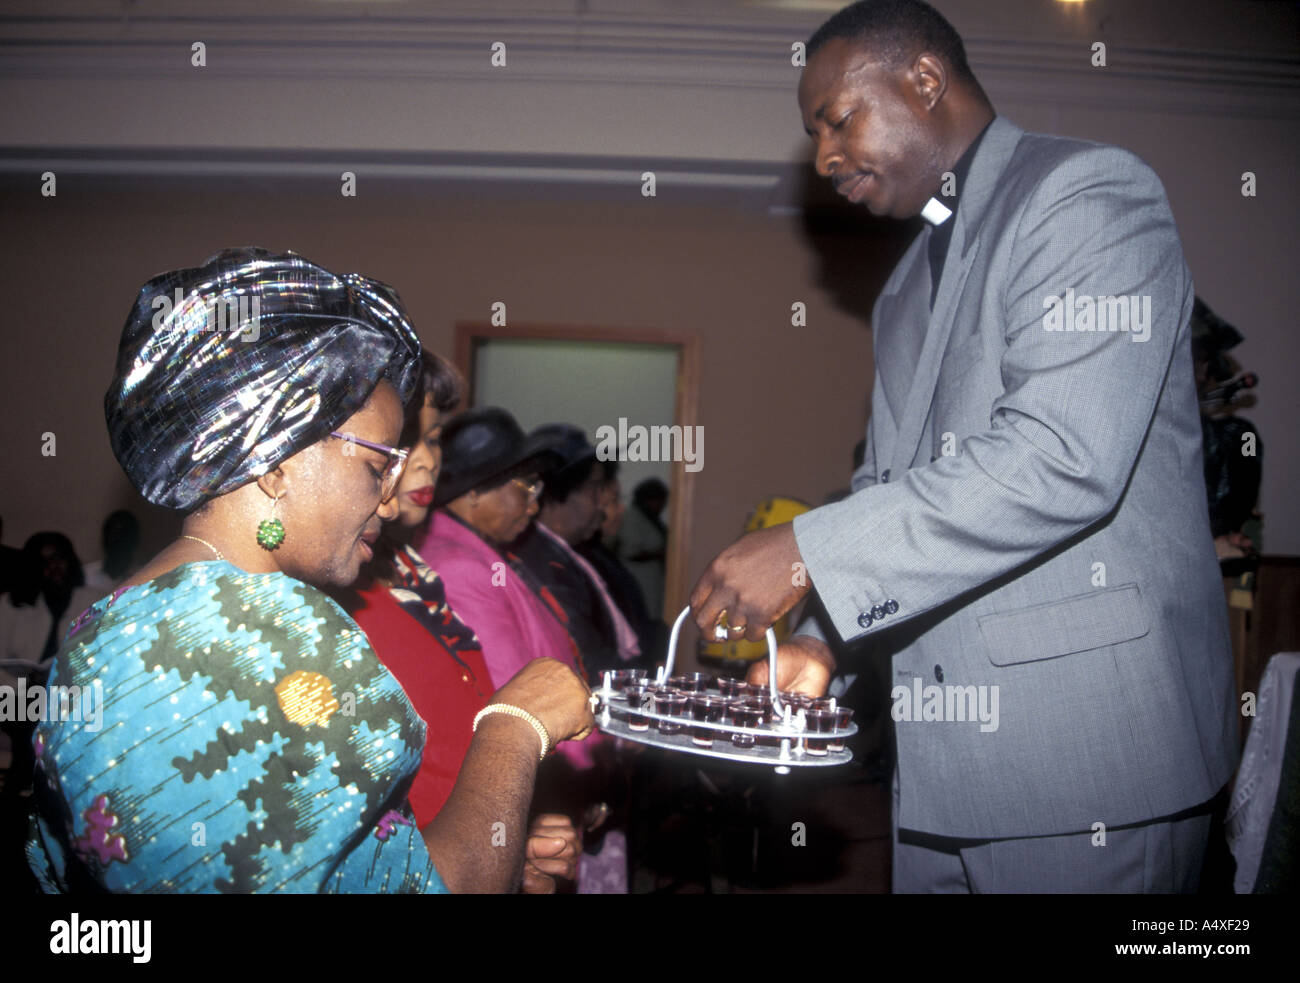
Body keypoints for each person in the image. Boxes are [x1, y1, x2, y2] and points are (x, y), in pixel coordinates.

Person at [690, 0, 1236, 893]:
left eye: (837, 118)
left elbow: (1064, 455)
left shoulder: (1088, 193)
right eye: (815, 134)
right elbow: (889, 486)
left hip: (1085, 758)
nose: (824, 156)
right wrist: (822, 645)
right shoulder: (904, 286)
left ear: (925, 79)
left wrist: (807, 549)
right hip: (938, 772)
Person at [25, 247, 593, 893]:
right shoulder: (252, 633)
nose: (388, 495)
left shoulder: (122, 617)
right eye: (376, 464)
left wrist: (489, 847)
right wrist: (512, 727)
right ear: (275, 458)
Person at [338, 353, 581, 893]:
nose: (427, 462)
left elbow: (459, 731)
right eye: (409, 438)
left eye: (436, 438)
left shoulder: (408, 566)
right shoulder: (327, 588)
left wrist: (510, 841)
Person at [510, 424, 643, 681]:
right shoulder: (539, 563)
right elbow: (585, 659)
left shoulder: (577, 554)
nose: (600, 504)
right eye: (594, 489)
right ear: (556, 493)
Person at [618, 477, 668, 619]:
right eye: (659, 501)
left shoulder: (652, 520)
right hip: (639, 577)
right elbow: (629, 552)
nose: (662, 505)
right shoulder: (632, 518)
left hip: (653, 581)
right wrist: (657, 553)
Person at [82, 510, 142, 598]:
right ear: (105, 540)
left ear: (135, 541)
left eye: (124, 537)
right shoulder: (85, 576)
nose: (118, 542)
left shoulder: (145, 578)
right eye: (114, 536)